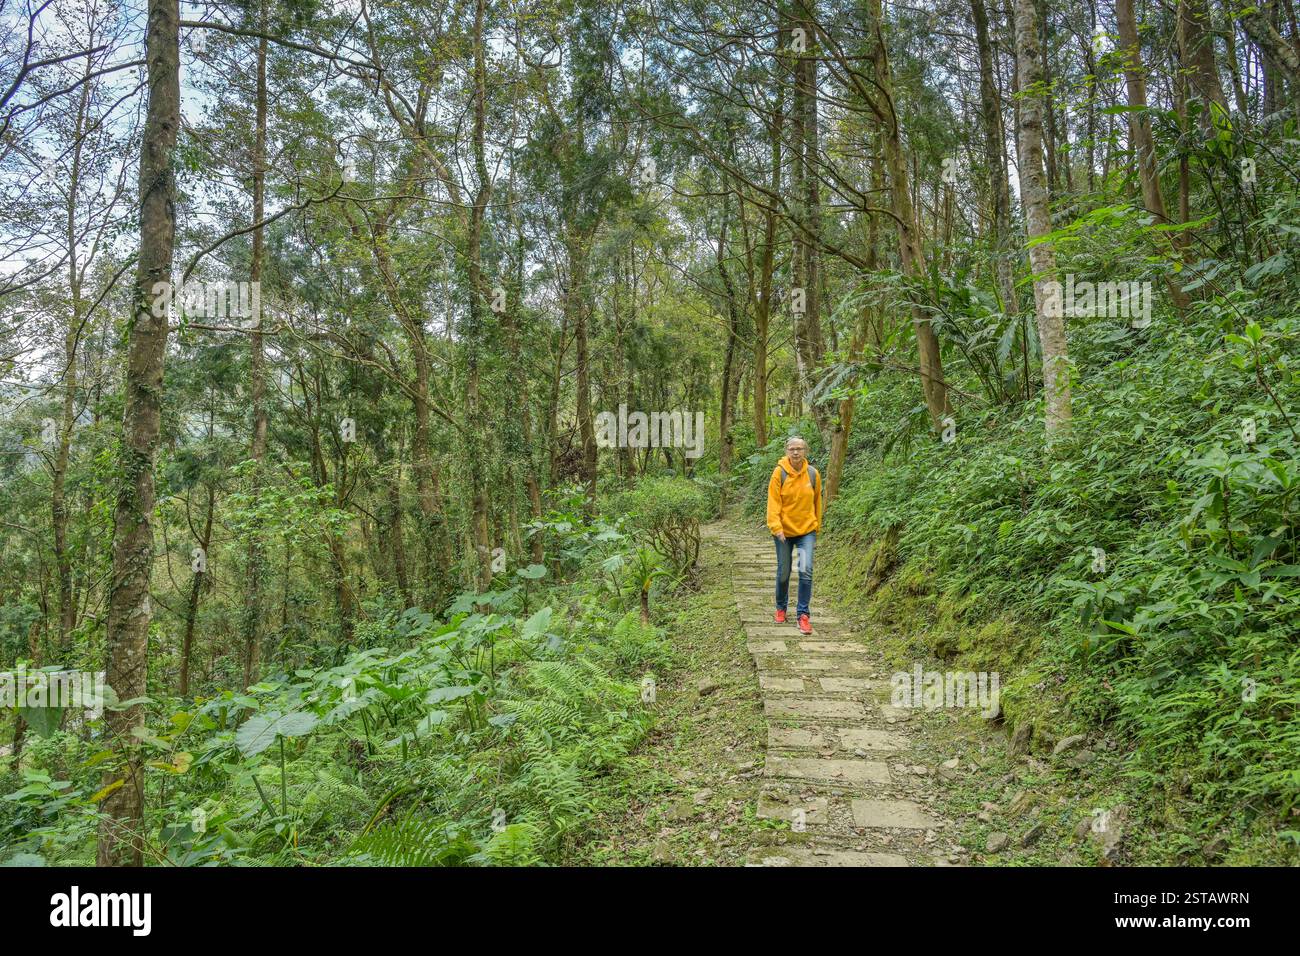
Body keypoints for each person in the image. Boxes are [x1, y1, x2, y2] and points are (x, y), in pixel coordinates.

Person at [765, 436, 822, 635]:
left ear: (805, 451)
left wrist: (816, 528)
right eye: (792, 449)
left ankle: (803, 615)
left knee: (805, 570)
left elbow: (817, 503)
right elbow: (773, 502)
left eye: (799, 448)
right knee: (784, 572)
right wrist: (776, 526)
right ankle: (781, 608)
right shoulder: (779, 473)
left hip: (806, 531)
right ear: (786, 451)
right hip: (783, 532)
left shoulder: (813, 474)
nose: (796, 452)